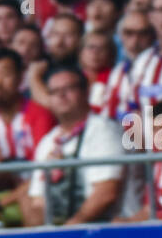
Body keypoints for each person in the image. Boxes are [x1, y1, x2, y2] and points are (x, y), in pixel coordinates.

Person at [25, 65, 125, 225]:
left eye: (69, 88)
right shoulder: (48, 142)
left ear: (86, 92)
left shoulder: (103, 130)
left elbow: (106, 193)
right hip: (64, 233)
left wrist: (68, 231)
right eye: (54, 91)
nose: (61, 96)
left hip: (104, 231)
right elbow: (38, 201)